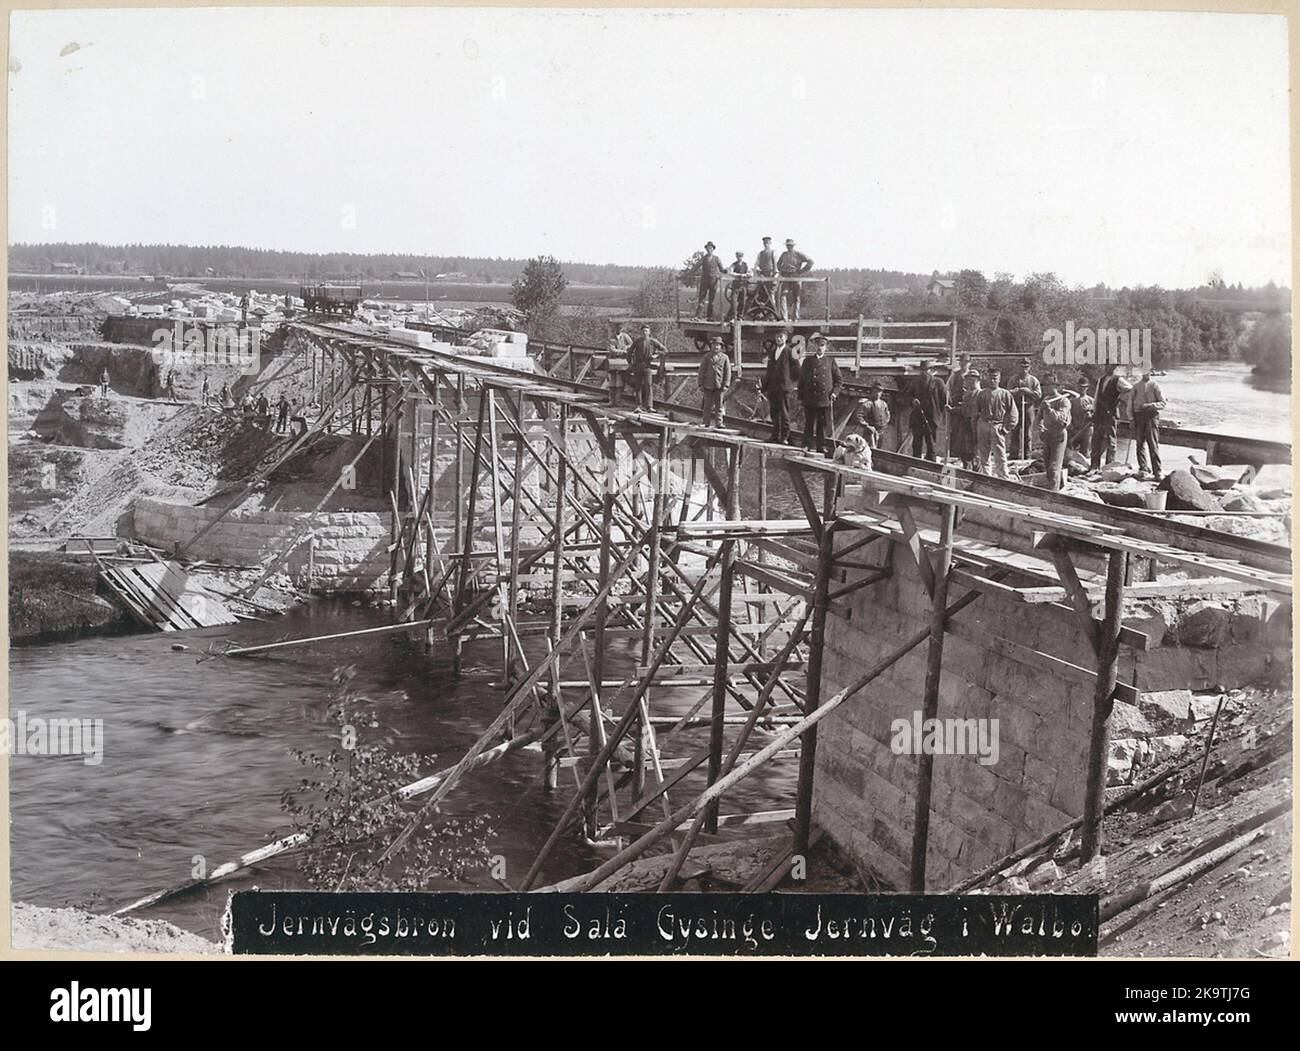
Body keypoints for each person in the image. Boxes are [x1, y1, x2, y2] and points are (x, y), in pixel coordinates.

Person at [798, 334, 841, 456]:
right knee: (809, 422)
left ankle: (821, 446)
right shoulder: (807, 362)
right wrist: (801, 397)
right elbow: (801, 380)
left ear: (826, 347)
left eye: (822, 345)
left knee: (822, 424)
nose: (820, 348)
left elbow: (839, 380)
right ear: (814, 346)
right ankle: (806, 444)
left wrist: (834, 393)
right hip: (810, 398)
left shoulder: (830, 361)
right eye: (817, 345)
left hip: (824, 398)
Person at [973, 368, 1019, 480]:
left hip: (997, 426)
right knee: (984, 455)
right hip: (983, 425)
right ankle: (986, 478)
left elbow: (1014, 414)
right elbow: (975, 412)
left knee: (1000, 456)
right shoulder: (981, 394)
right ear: (987, 379)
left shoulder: (1005, 394)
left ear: (999, 379)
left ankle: (1003, 478)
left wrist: (1007, 428)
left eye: (995, 378)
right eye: (990, 378)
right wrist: (975, 427)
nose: (992, 380)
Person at [1090, 364, 1132, 470]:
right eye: (1107, 366)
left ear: (1115, 368)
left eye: (1111, 367)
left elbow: (1130, 389)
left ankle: (1109, 466)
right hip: (1100, 413)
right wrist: (1094, 410)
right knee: (1096, 439)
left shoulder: (1118, 380)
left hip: (1111, 413)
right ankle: (1094, 465)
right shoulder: (1101, 379)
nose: (1108, 368)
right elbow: (1096, 396)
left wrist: (1119, 398)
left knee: (1111, 439)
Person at [761, 330, 800, 443]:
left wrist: (789, 381)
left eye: (781, 337)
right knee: (774, 412)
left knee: (784, 412)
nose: (779, 339)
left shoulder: (790, 352)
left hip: (784, 387)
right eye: (777, 337)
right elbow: (769, 371)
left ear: (786, 338)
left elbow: (797, 370)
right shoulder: (773, 352)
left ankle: (785, 437)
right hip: (773, 387)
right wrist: (765, 387)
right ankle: (775, 436)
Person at [907, 360, 948, 462]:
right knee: (916, 443)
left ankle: (932, 465)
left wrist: (939, 414)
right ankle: (916, 464)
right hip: (917, 417)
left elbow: (945, 400)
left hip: (931, 418)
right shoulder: (915, 382)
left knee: (931, 444)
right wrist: (912, 401)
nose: (925, 372)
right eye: (923, 370)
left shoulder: (938, 382)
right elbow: (906, 396)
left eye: (927, 370)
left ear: (931, 370)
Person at [1129, 369, 1166, 480]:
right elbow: (1130, 404)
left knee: (1153, 444)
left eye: (1148, 371)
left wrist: (1150, 405)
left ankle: (1157, 471)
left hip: (1151, 416)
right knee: (1139, 444)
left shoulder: (1155, 385)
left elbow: (1163, 403)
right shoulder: (1135, 387)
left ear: (1150, 372)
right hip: (1138, 417)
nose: (1146, 373)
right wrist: (1131, 419)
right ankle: (1143, 468)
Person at [1038, 375, 1073, 490]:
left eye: (1048, 385)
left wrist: (1049, 410)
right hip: (1047, 435)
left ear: (1055, 386)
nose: (1046, 388)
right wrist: (1040, 427)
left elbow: (1061, 418)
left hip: (1058, 435)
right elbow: (1039, 418)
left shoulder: (1064, 401)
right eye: (1044, 385)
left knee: (1054, 468)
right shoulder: (1046, 399)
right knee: (1048, 468)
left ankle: (1053, 495)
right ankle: (1056, 487)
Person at [1008, 357, 1042, 459]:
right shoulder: (1013, 379)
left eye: (1026, 367)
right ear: (1018, 367)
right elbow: (1007, 393)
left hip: (1028, 407)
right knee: (1014, 431)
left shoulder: (1033, 380)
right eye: (1022, 367)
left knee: (1028, 433)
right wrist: (1016, 391)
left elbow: (1039, 394)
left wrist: (1028, 391)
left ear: (1029, 368)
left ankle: (1027, 455)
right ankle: (1013, 455)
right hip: (1016, 407)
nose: (1024, 369)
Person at [628, 324, 666, 411]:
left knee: (648, 385)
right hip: (638, 366)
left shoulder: (653, 341)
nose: (645, 333)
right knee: (637, 386)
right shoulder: (637, 341)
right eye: (643, 331)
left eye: (646, 331)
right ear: (641, 332)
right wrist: (630, 363)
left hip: (648, 366)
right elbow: (629, 352)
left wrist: (655, 355)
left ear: (649, 332)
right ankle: (638, 406)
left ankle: (649, 406)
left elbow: (664, 350)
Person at [697, 336, 732, 427]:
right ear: (711, 346)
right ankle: (706, 422)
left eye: (718, 345)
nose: (716, 347)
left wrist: (726, 385)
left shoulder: (725, 358)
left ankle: (719, 423)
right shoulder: (707, 357)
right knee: (707, 406)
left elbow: (727, 372)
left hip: (719, 386)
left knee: (719, 406)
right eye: (714, 345)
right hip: (708, 385)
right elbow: (701, 371)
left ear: (721, 347)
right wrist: (700, 384)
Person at [777, 238, 814, 321]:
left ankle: (795, 318)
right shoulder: (784, 254)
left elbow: (811, 261)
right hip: (786, 277)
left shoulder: (798, 254)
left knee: (796, 297)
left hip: (795, 277)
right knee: (783, 296)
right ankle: (785, 318)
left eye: (790, 245)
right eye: (788, 245)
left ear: (793, 246)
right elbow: (778, 264)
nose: (789, 247)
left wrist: (801, 271)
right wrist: (781, 270)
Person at [855, 381, 891, 449]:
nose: (878, 393)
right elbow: (859, 416)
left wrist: (885, 423)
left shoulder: (883, 404)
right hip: (870, 432)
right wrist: (867, 426)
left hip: (881, 431)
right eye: (876, 391)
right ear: (872, 391)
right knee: (868, 449)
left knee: (880, 450)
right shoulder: (868, 404)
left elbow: (887, 414)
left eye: (880, 391)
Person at [696, 241, 725, 321]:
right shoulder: (703, 258)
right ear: (706, 249)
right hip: (704, 280)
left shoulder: (717, 259)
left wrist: (726, 271)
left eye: (711, 248)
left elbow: (722, 269)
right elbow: (695, 267)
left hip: (713, 281)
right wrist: (686, 274)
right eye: (708, 248)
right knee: (701, 298)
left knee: (711, 300)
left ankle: (710, 317)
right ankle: (698, 316)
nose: (709, 250)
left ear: (713, 249)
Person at [1068, 373, 1094, 454]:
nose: (1082, 388)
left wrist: (1091, 415)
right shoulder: (1072, 401)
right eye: (1080, 386)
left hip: (1086, 430)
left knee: (1085, 453)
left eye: (1084, 387)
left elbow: (1095, 417)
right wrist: (1071, 426)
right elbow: (1068, 415)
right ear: (1077, 386)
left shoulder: (1091, 401)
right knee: (1069, 451)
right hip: (1074, 429)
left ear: (1087, 388)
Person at [606, 326, 632, 405]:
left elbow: (631, 344)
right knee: (612, 382)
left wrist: (626, 347)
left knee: (620, 383)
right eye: (617, 328)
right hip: (613, 361)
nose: (619, 330)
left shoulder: (625, 336)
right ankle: (611, 401)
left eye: (620, 328)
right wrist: (622, 351)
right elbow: (612, 349)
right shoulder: (611, 338)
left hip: (622, 362)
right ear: (615, 329)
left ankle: (618, 401)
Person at [755, 236, 778, 313]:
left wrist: (775, 277)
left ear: (770, 243)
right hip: (762, 276)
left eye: (767, 243)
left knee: (771, 295)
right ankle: (762, 314)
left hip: (771, 275)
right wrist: (758, 270)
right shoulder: (760, 254)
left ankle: (773, 313)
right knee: (761, 295)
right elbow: (757, 265)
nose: (766, 244)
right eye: (765, 243)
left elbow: (776, 264)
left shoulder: (773, 252)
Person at [726, 252, 750, 321]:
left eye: (740, 256)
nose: (739, 258)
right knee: (733, 302)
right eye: (738, 256)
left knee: (742, 302)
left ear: (742, 257)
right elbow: (730, 272)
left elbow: (750, 273)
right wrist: (738, 275)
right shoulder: (734, 265)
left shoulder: (745, 264)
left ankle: (740, 316)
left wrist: (745, 275)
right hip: (735, 286)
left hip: (743, 286)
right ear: (736, 257)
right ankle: (734, 317)